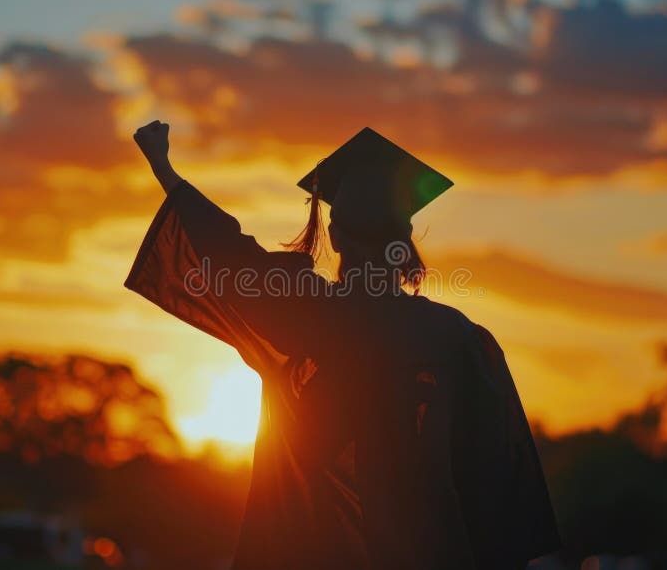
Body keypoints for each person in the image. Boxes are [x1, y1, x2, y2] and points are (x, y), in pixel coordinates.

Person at [125, 122, 561, 570]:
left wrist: (165, 168)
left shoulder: (312, 313)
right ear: (404, 242)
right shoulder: (457, 338)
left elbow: (230, 254)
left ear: (334, 237)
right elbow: (495, 489)